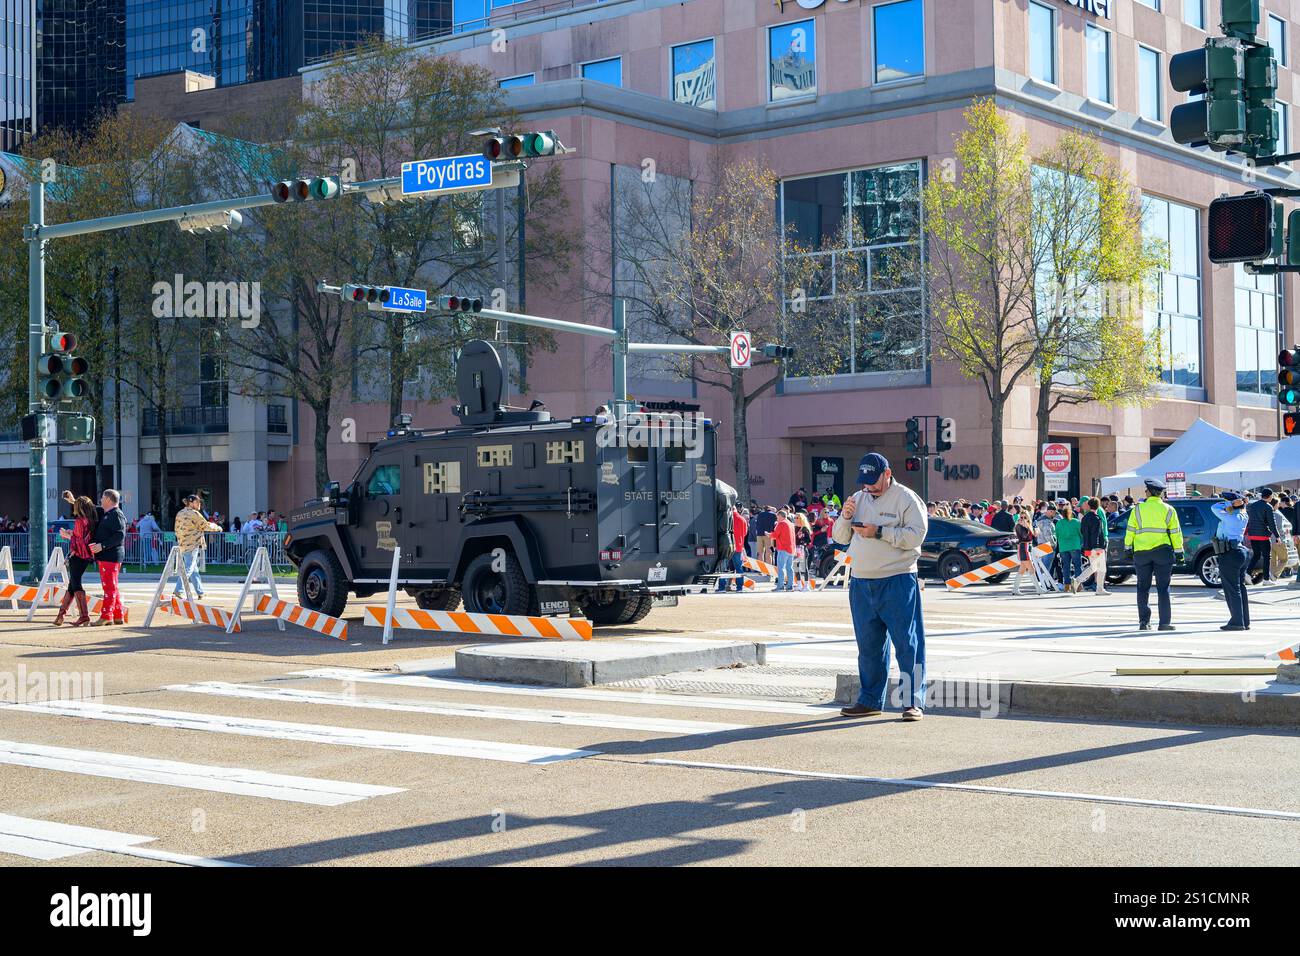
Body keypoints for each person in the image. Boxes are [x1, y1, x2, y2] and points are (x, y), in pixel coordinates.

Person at [833, 453, 928, 721]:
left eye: (873, 482)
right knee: (868, 646)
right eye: (865, 482)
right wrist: (845, 517)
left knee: (908, 644)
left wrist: (879, 532)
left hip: (898, 579)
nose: (869, 488)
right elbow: (839, 537)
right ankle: (870, 700)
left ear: (887, 473)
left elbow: (916, 536)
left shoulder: (906, 498)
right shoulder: (858, 498)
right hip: (862, 581)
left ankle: (913, 702)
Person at [1124, 478, 1184, 632]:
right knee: (1163, 588)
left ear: (1149, 492)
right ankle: (1164, 623)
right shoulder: (1169, 509)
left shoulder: (1137, 509)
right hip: (1162, 552)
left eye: (1146, 490)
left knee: (1142, 588)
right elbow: (1176, 533)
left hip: (1141, 553)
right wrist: (1179, 552)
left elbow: (1130, 530)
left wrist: (1127, 548)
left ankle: (1144, 622)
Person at [54, 491, 97, 627]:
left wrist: (67, 535)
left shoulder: (79, 520)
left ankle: (83, 616)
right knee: (72, 585)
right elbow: (83, 537)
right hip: (87, 555)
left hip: (78, 555)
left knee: (75, 584)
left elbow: (78, 541)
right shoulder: (92, 518)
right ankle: (61, 616)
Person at [1211, 491, 1251, 632]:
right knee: (1240, 588)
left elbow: (1214, 507)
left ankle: (1236, 622)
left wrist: (1230, 504)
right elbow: (1241, 508)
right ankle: (1244, 621)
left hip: (1230, 554)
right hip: (1240, 552)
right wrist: (1237, 503)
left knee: (1232, 589)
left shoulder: (1229, 516)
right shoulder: (1243, 515)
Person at [89, 489, 128, 626]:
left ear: (108, 499)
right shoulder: (108, 513)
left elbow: (119, 535)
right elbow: (90, 507)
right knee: (112, 587)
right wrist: (73, 501)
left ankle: (106, 615)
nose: (100, 500)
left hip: (111, 555)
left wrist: (102, 546)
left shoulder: (116, 515)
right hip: (107, 555)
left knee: (109, 587)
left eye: (102, 498)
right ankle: (118, 615)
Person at [173, 494, 221, 599]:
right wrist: (217, 527)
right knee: (189, 568)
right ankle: (178, 590)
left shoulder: (180, 513)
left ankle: (200, 592)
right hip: (193, 543)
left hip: (183, 544)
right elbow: (205, 525)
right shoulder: (194, 514)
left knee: (194, 569)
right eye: (197, 502)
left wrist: (181, 540)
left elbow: (176, 529)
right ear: (190, 503)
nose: (199, 504)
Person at [1070, 497, 1110, 595]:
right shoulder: (1097, 518)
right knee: (1101, 568)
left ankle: (1078, 580)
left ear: (1089, 505)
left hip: (1087, 546)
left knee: (1094, 567)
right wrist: (1099, 547)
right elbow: (1097, 534)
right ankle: (1099, 588)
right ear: (1098, 506)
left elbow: (1083, 532)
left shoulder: (1084, 518)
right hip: (1096, 547)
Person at [1246, 488, 1280, 584]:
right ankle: (1266, 579)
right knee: (1266, 557)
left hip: (1252, 535)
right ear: (1270, 496)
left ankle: (1248, 573)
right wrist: (1277, 536)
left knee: (1256, 555)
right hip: (1263, 536)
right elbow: (1272, 524)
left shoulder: (1252, 506)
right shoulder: (1268, 507)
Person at [1054, 503, 1083, 590]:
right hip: (1075, 545)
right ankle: (1078, 584)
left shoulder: (1059, 523)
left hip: (1063, 547)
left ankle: (1067, 585)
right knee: (1077, 566)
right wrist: (1080, 543)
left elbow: (1057, 535)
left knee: (1066, 566)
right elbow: (1081, 534)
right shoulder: (1076, 522)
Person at [1011, 509, 1040, 596]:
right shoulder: (1019, 526)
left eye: (1025, 517)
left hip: (1027, 547)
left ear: (1028, 518)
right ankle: (1038, 589)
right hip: (1024, 547)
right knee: (1031, 569)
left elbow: (1033, 538)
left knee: (1022, 570)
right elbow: (1024, 536)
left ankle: (1015, 589)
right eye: (1021, 517)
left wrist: (1034, 532)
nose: (1022, 519)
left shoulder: (1028, 525)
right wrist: (1025, 526)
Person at [771, 508, 796, 591]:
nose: (777, 519)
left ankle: (780, 586)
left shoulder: (781, 523)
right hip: (791, 549)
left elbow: (775, 535)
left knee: (781, 568)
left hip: (783, 548)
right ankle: (790, 585)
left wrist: (768, 535)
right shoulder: (791, 524)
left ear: (781, 516)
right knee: (790, 568)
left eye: (777, 517)